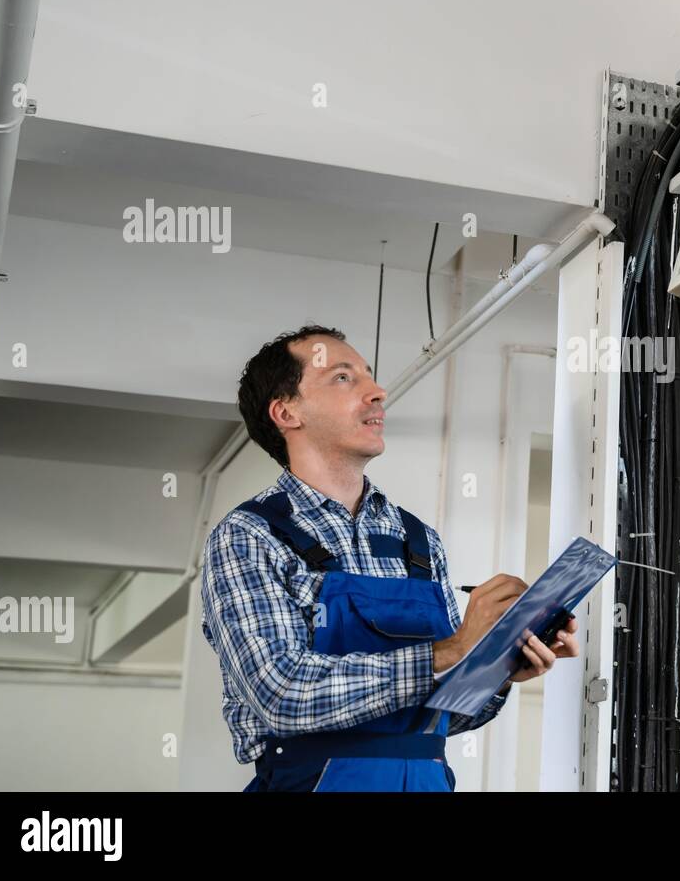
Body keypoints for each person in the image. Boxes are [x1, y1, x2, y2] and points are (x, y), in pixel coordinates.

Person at [200, 324, 578, 791]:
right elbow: (283, 695)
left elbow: (439, 719)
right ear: (285, 412)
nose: (377, 392)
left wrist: (497, 671)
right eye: (343, 378)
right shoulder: (250, 535)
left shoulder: (418, 540)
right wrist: (455, 649)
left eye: (369, 376)